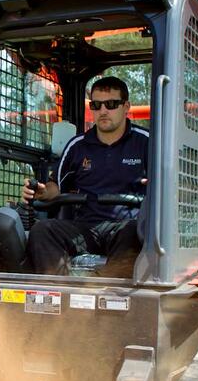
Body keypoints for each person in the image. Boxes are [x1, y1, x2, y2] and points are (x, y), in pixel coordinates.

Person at [21, 76, 149, 276]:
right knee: (42, 230)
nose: (103, 111)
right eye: (96, 105)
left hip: (125, 227)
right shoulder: (77, 146)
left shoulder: (146, 143)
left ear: (126, 107)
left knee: (136, 233)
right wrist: (43, 193)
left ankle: (104, 294)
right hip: (85, 228)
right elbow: (57, 187)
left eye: (111, 104)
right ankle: (58, 295)